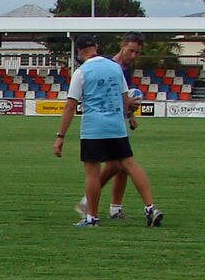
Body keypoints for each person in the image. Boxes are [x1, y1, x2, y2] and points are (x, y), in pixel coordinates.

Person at [54, 35, 163, 229]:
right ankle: (150, 208)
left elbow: (70, 106)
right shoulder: (115, 68)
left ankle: (92, 218)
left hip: (93, 128)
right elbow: (125, 100)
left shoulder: (81, 72)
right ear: (96, 47)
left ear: (79, 52)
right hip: (116, 127)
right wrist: (130, 117)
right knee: (129, 164)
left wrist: (60, 136)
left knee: (92, 172)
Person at [77, 31, 143, 220]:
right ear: (122, 46)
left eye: (137, 53)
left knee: (122, 166)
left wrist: (130, 116)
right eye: (131, 51)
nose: (134, 56)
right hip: (101, 125)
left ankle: (115, 207)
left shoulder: (127, 69)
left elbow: (122, 97)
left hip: (116, 123)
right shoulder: (110, 66)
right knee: (116, 164)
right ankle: (88, 201)